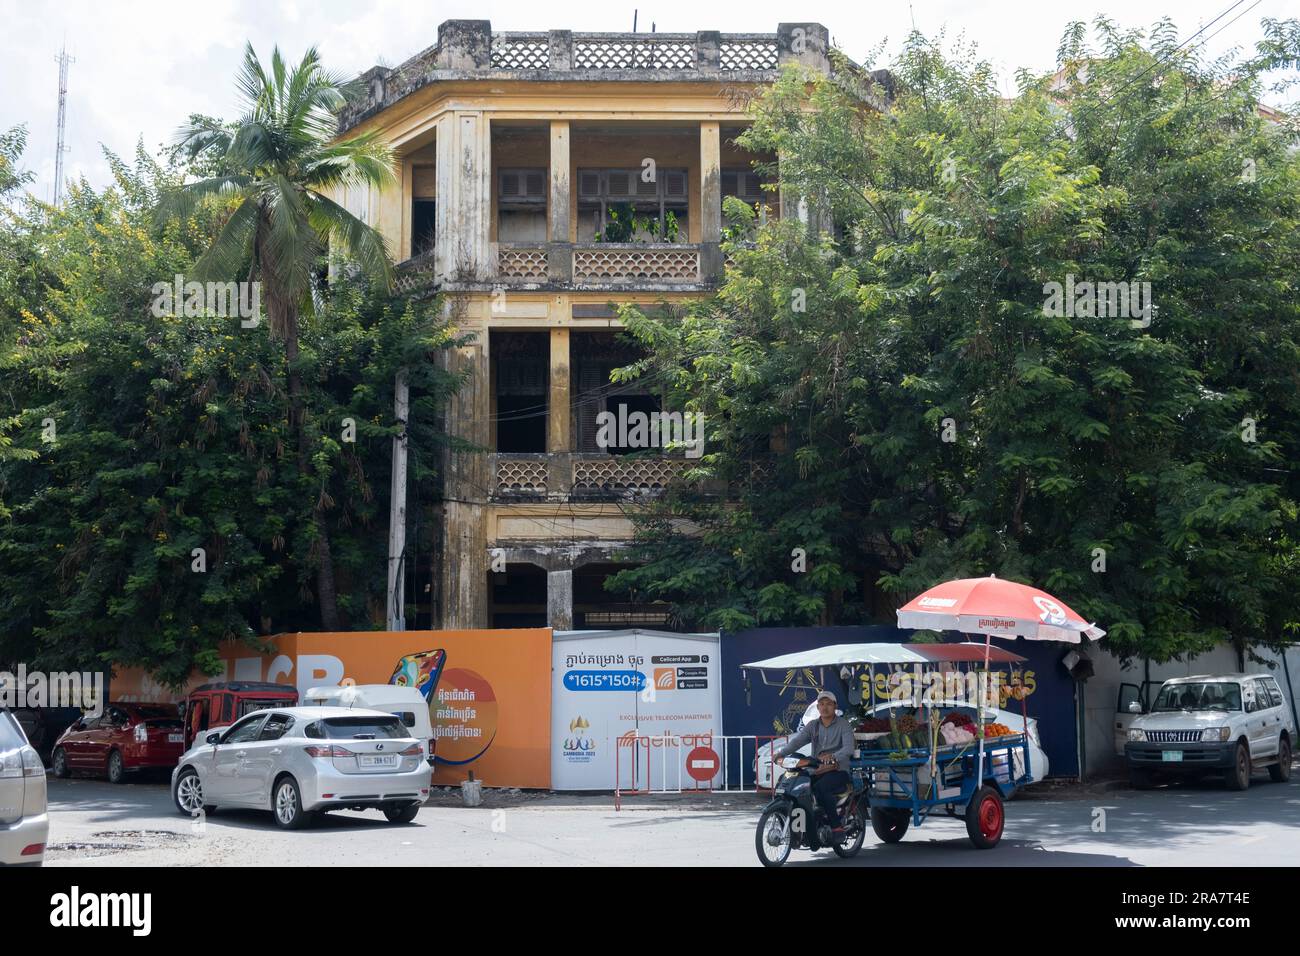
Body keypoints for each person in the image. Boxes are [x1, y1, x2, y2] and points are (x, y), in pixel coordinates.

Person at [773, 689, 855, 828]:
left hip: (838, 770)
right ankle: (800, 824)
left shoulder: (844, 725)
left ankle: (836, 827)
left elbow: (848, 749)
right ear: (817, 707)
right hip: (816, 768)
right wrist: (780, 753)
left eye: (828, 704)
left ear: (835, 706)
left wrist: (833, 756)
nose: (825, 707)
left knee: (820, 788)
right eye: (821, 704)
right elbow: (797, 742)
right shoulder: (813, 726)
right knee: (788, 783)